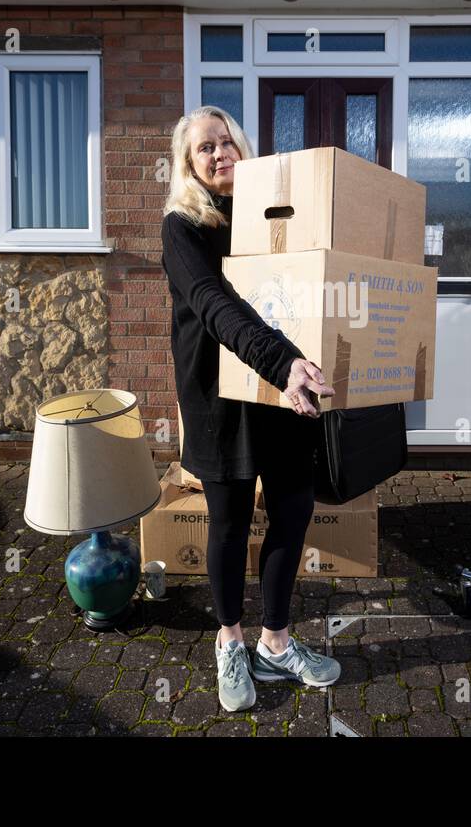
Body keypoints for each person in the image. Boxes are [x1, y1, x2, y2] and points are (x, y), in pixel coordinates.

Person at [160, 105, 342, 712]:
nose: (219, 154)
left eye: (226, 141)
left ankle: (276, 641)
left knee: (293, 508)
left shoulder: (273, 218)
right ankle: (230, 638)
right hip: (220, 396)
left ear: (243, 146)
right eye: (204, 149)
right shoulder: (182, 228)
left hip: (279, 390)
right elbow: (213, 302)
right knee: (231, 520)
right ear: (189, 166)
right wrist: (283, 360)